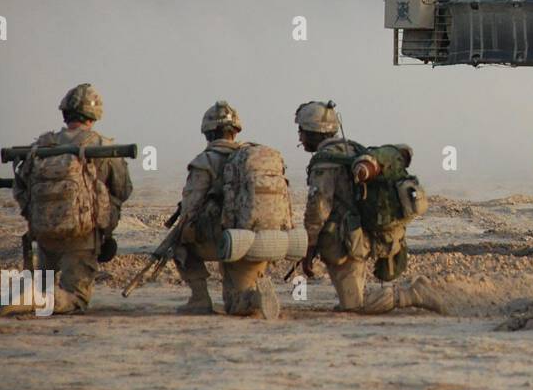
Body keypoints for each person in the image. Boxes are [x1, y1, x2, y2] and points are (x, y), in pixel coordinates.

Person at [296, 101, 443, 314]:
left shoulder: (324, 163)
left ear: (312, 132)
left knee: (355, 307)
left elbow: (318, 209)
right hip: (359, 236)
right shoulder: (353, 149)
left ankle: (412, 294)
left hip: (343, 241)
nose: (300, 138)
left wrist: (308, 246)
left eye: (301, 131)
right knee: (350, 302)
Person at [7, 83, 133, 315]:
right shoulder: (102, 147)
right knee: (77, 299)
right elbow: (123, 190)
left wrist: (37, 217)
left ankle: (35, 296)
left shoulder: (42, 146)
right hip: (82, 237)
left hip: (44, 234)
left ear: (65, 112)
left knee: (44, 287)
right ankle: (40, 299)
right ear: (95, 114)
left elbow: (21, 188)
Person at [173, 101, 281, 318]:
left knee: (178, 242)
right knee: (236, 301)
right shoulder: (252, 158)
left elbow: (190, 207)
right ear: (236, 131)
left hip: (223, 239)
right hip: (260, 238)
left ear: (208, 133)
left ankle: (199, 299)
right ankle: (256, 294)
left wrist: (184, 229)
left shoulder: (205, 161)